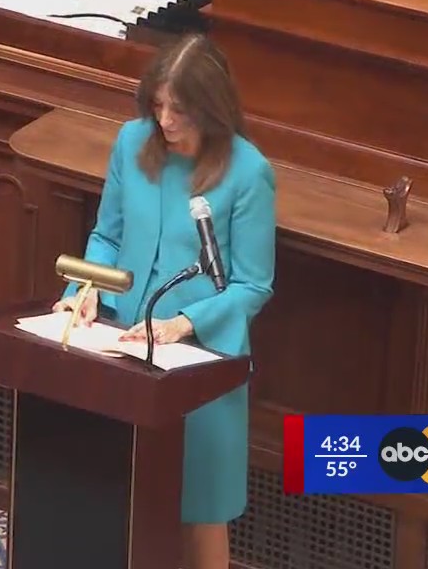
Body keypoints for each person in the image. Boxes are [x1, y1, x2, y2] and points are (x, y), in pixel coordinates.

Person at [53, 33, 276, 569]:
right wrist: (83, 291)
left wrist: (181, 324)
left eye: (180, 109)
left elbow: (252, 285)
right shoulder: (132, 142)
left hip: (203, 362)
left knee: (201, 509)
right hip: (122, 346)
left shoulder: (247, 172)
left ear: (212, 107)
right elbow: (107, 236)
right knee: (120, 495)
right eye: (157, 105)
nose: (166, 120)